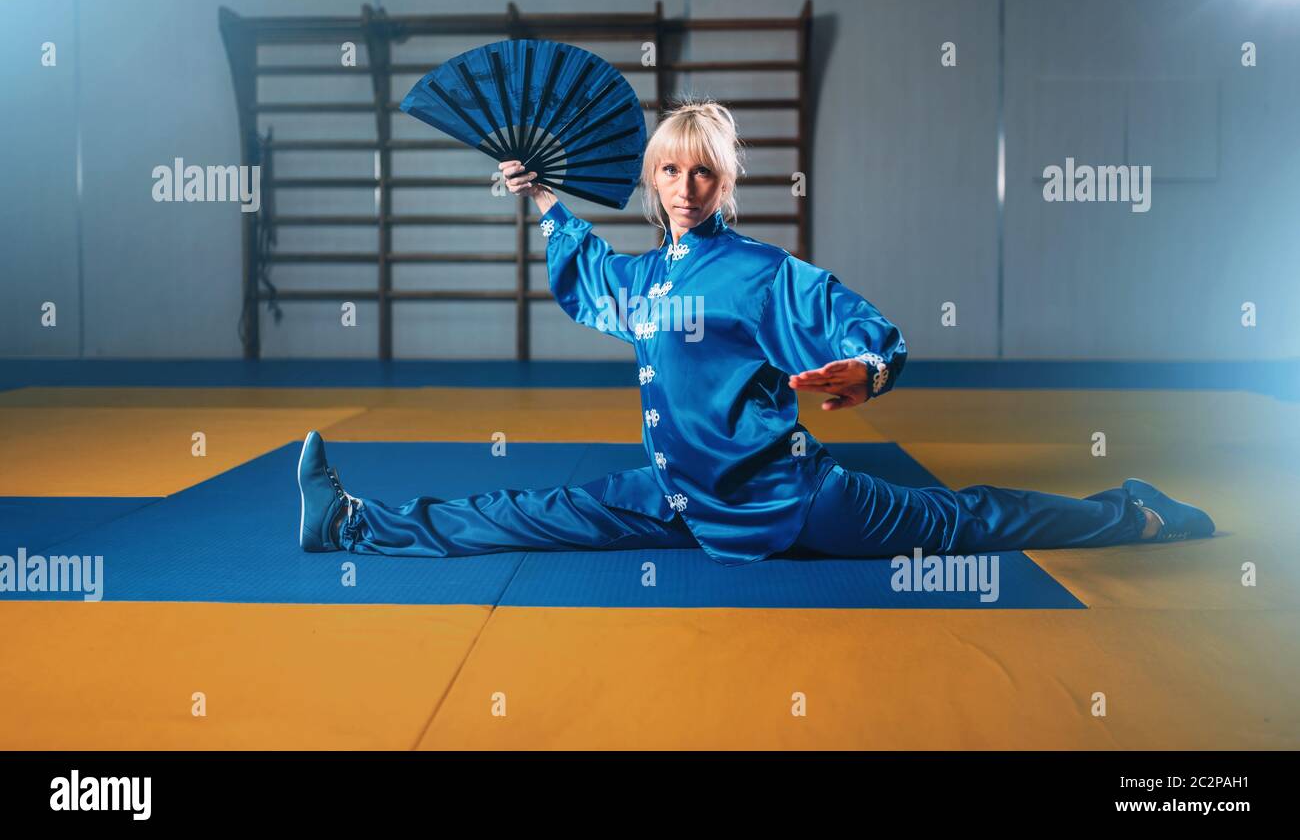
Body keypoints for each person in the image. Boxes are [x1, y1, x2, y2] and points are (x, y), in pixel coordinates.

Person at [295, 100, 1214, 565]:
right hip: (673, 495)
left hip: (790, 501)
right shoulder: (649, 278)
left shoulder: (764, 274)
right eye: (669, 170)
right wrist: (542, 200)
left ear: (724, 183)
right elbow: (591, 283)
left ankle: (1125, 513)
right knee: (524, 510)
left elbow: (865, 326)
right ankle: (349, 523)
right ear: (652, 178)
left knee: (965, 521)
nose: (685, 187)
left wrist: (870, 366)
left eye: (703, 173)